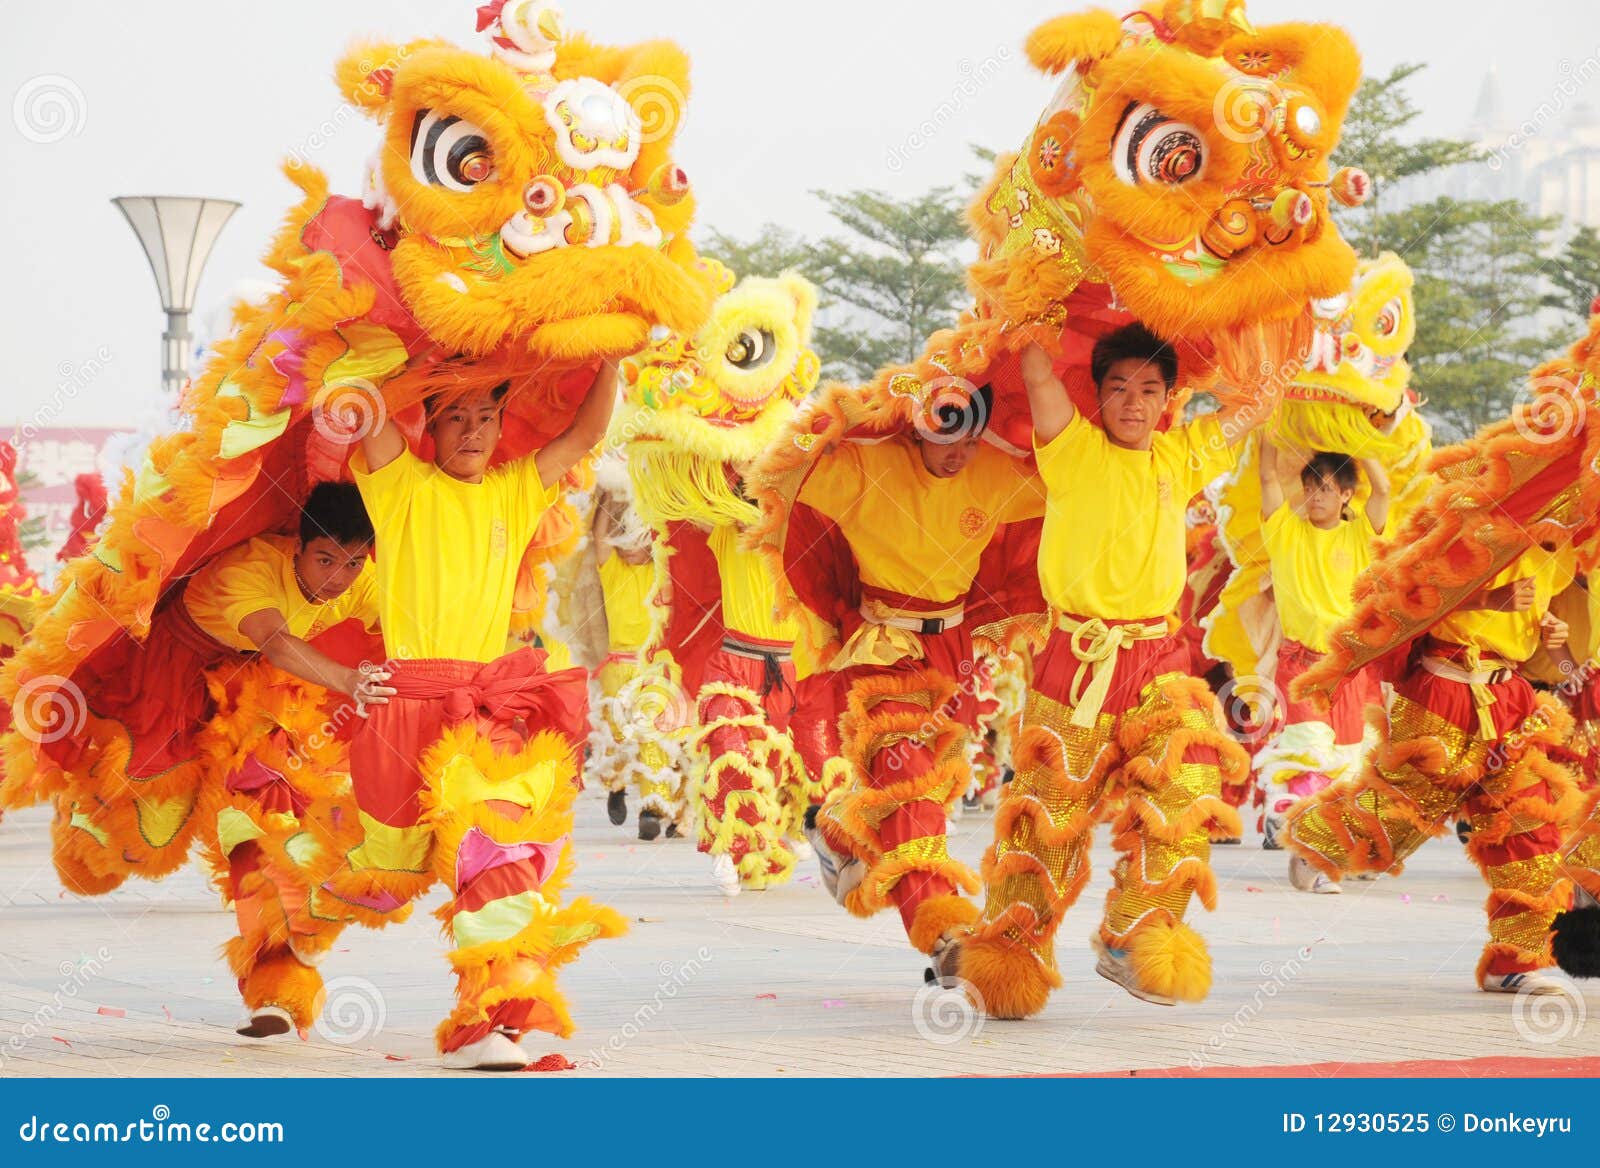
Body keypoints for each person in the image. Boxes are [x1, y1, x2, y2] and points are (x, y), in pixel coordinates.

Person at [960, 324, 1263, 1018]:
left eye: (1149, 390)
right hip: (1075, 666)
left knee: (1188, 784)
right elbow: (1038, 375)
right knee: (1048, 829)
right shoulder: (1072, 450)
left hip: (1159, 661)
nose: (1133, 402)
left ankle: (1133, 936)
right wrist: (1034, 300)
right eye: (1119, 388)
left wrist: (1271, 324)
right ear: (1096, 395)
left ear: (1167, 401)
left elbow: (1253, 408)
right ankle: (1009, 960)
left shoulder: (1180, 457)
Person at [346, 357, 626, 1070]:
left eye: (485, 416)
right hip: (404, 709)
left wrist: (615, 354)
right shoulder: (400, 483)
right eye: (455, 416)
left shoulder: (512, 490)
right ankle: (286, 932)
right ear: (430, 426)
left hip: (483, 712)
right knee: (377, 879)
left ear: (501, 424)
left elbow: (586, 433)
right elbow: (367, 403)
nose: (472, 430)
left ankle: (489, 1023)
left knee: (497, 856)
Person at [796, 384, 1048, 975]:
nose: (956, 451)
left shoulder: (994, 471)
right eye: (942, 433)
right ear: (914, 427)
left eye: (967, 434)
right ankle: (941, 927)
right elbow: (794, 474)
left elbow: (1063, 483)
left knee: (923, 787)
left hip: (951, 651)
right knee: (908, 781)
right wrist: (854, 413)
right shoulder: (870, 464)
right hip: (882, 646)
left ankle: (838, 833)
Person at [1284, 542, 1582, 994]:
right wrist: (1486, 599)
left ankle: (1513, 962)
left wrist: (1551, 634)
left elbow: (1545, 649)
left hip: (1511, 700)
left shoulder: (1556, 558)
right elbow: (1409, 600)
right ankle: (1314, 844)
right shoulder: (1469, 528)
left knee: (1531, 831)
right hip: (1443, 693)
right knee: (1396, 819)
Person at [1254, 442, 1389, 873]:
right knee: (1308, 754)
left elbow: (1383, 490)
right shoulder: (1285, 531)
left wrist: (1358, 439)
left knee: (1349, 764)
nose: (1316, 497)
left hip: (1350, 669)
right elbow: (1267, 479)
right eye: (1310, 488)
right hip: (1300, 665)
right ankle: (1315, 853)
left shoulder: (1360, 534)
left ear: (1347, 494)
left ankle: (1336, 842)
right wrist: (1268, 439)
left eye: (1326, 489)